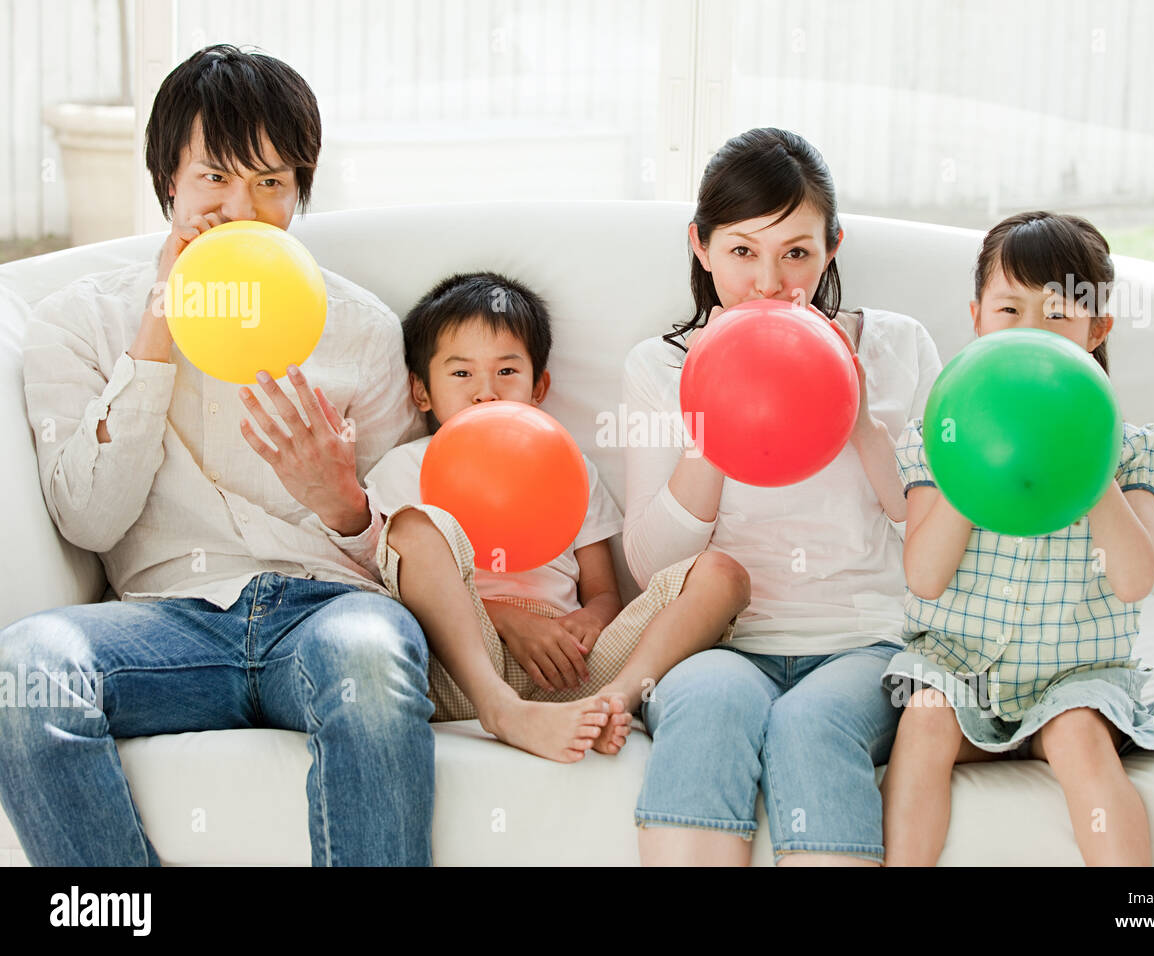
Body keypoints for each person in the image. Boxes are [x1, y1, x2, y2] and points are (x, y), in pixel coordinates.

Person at [0, 45, 436, 866]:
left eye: (271, 182)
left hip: (325, 614)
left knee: (371, 658)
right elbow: (89, 521)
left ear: (299, 189)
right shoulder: (79, 323)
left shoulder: (361, 328)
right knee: (23, 669)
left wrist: (342, 503)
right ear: (169, 180)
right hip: (165, 622)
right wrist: (159, 328)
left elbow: (413, 560)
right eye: (215, 178)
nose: (242, 210)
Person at [624, 127, 943, 865]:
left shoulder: (899, 348)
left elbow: (933, 541)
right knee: (707, 706)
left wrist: (859, 421)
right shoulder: (658, 367)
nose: (769, 283)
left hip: (869, 641)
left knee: (811, 724)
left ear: (832, 248)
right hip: (724, 642)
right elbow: (651, 569)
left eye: (796, 253)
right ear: (701, 246)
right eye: (743, 251)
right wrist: (715, 418)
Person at [880, 210, 1154, 867]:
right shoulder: (940, 437)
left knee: (1079, 737)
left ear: (1096, 331)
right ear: (976, 318)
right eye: (1009, 310)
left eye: (1056, 314)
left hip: (1074, 680)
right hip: (959, 669)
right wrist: (969, 469)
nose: (1029, 332)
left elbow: (1134, 580)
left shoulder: (1129, 449)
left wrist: (1089, 464)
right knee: (925, 718)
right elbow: (924, 578)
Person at [365, 272, 749, 763]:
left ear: (538, 386)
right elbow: (398, 583)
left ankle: (612, 705)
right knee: (413, 528)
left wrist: (590, 620)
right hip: (465, 664)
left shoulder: (567, 464)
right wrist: (511, 621)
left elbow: (603, 592)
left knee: (723, 574)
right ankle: (503, 711)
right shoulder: (405, 467)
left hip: (574, 667)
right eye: (461, 374)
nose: (486, 392)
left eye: (507, 371)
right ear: (421, 391)